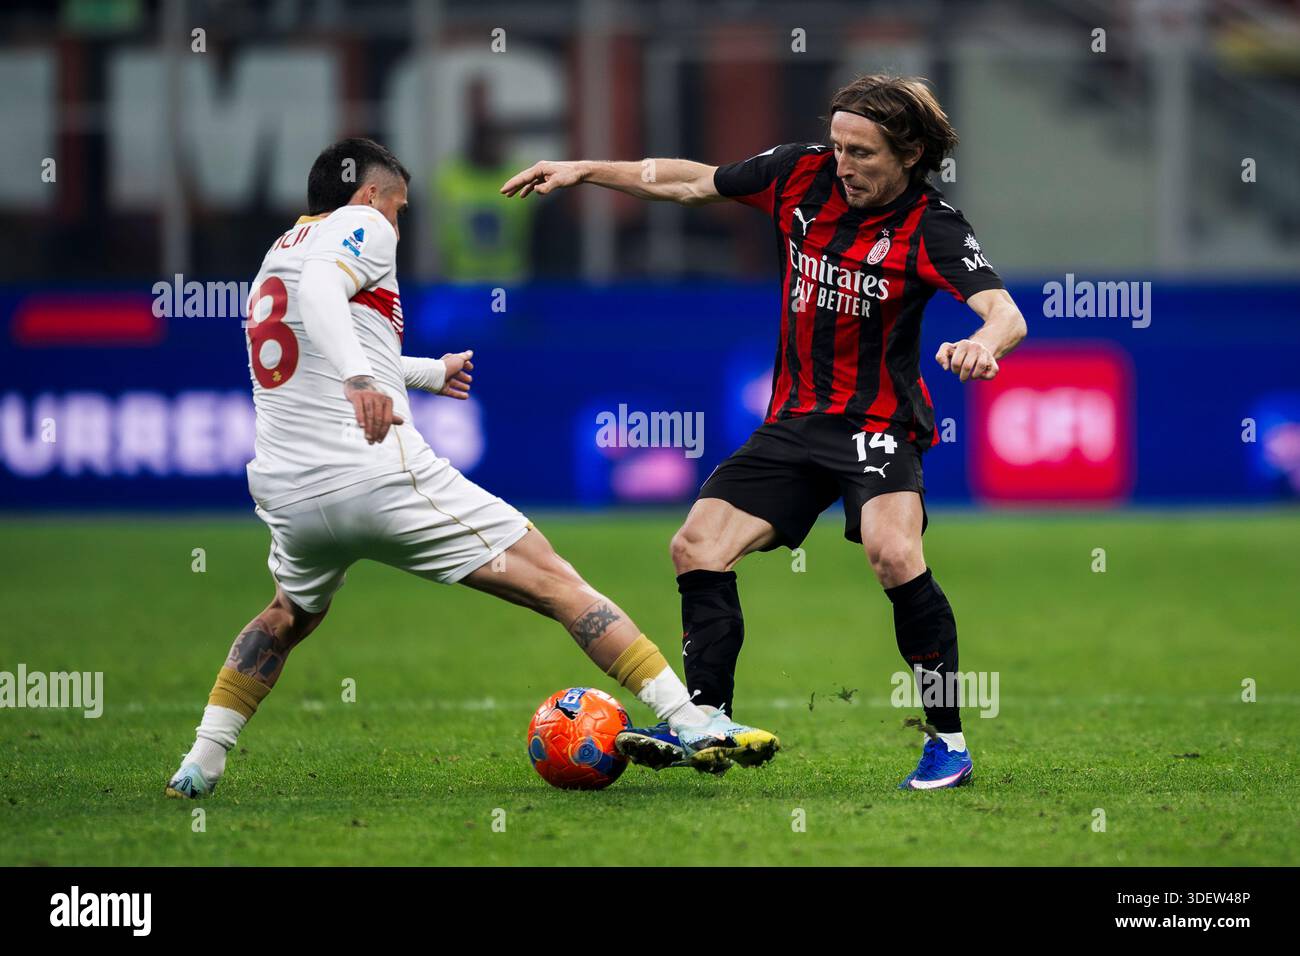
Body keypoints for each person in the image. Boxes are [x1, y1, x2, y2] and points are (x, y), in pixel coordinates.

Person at [165, 137, 778, 798]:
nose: (396, 223)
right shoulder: (363, 224)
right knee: (556, 581)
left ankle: (201, 760)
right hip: (373, 473)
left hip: (290, 494)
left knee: (288, 614)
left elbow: (312, 337)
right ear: (370, 194)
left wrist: (424, 372)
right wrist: (361, 379)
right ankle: (689, 720)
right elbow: (328, 301)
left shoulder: (278, 256)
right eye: (400, 207)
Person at [501, 75, 1028, 789]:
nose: (843, 163)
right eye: (839, 144)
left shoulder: (932, 225)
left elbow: (1004, 311)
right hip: (794, 424)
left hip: (876, 424)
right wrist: (587, 170)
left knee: (894, 554)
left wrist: (984, 345)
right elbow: (690, 182)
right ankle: (709, 717)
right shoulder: (800, 173)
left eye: (863, 152)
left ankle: (947, 742)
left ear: (909, 153)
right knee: (695, 545)